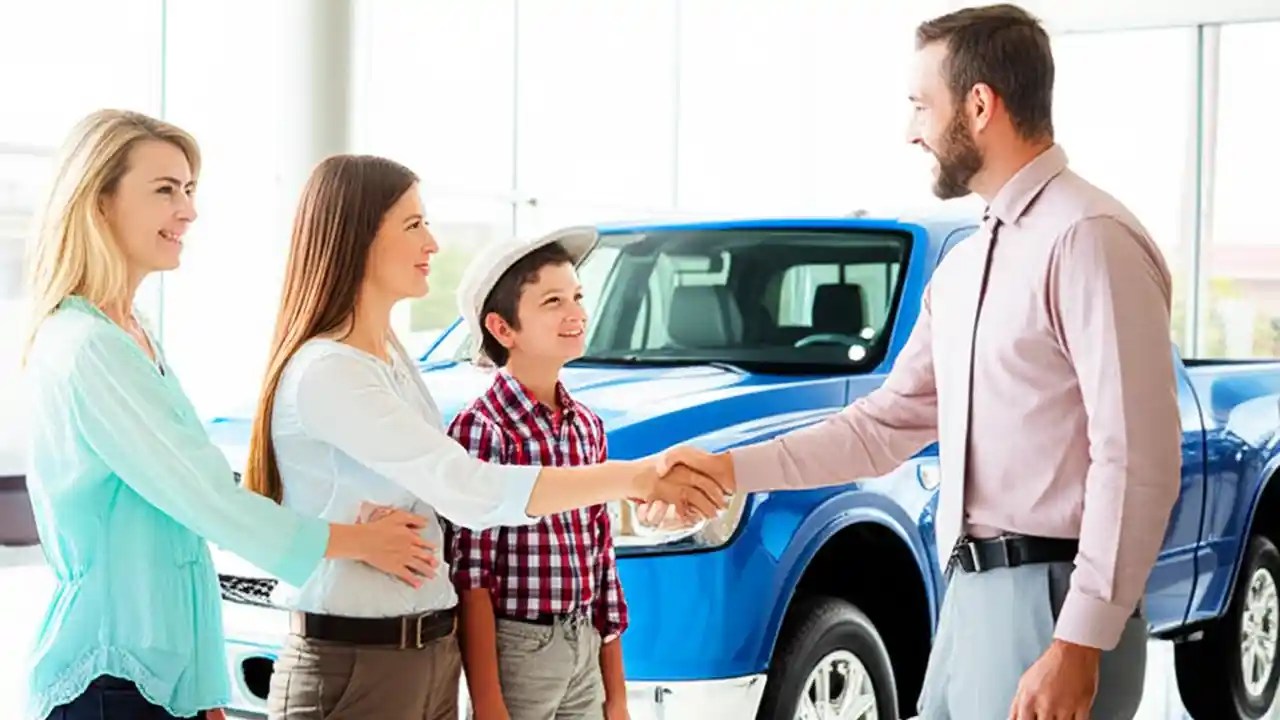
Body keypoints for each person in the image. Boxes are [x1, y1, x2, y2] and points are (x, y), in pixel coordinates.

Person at [655, 5, 1182, 719]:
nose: (911, 130)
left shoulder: (1089, 238)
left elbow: (1138, 458)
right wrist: (727, 469)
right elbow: (879, 428)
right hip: (967, 597)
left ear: (979, 105)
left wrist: (1080, 640)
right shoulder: (965, 266)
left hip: (1053, 602)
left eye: (920, 105)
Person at [243, 155, 726, 720]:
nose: (433, 243)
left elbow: (435, 491)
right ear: (359, 236)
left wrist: (358, 535)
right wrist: (636, 477)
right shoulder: (329, 371)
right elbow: (469, 490)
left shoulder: (390, 358)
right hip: (359, 663)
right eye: (413, 224)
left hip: (427, 654)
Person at [20, 110, 435, 720]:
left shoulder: (132, 334)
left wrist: (202, 689)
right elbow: (207, 500)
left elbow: (177, 536)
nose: (188, 210)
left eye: (189, 190)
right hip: (110, 678)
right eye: (165, 190)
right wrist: (360, 542)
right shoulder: (88, 348)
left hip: (158, 681)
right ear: (99, 201)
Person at [449, 232, 630, 720]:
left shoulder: (587, 426)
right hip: (518, 648)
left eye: (577, 296)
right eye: (553, 301)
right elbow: (471, 577)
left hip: (584, 643)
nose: (576, 313)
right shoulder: (483, 429)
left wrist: (616, 695)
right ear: (502, 328)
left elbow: (602, 560)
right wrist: (487, 702)